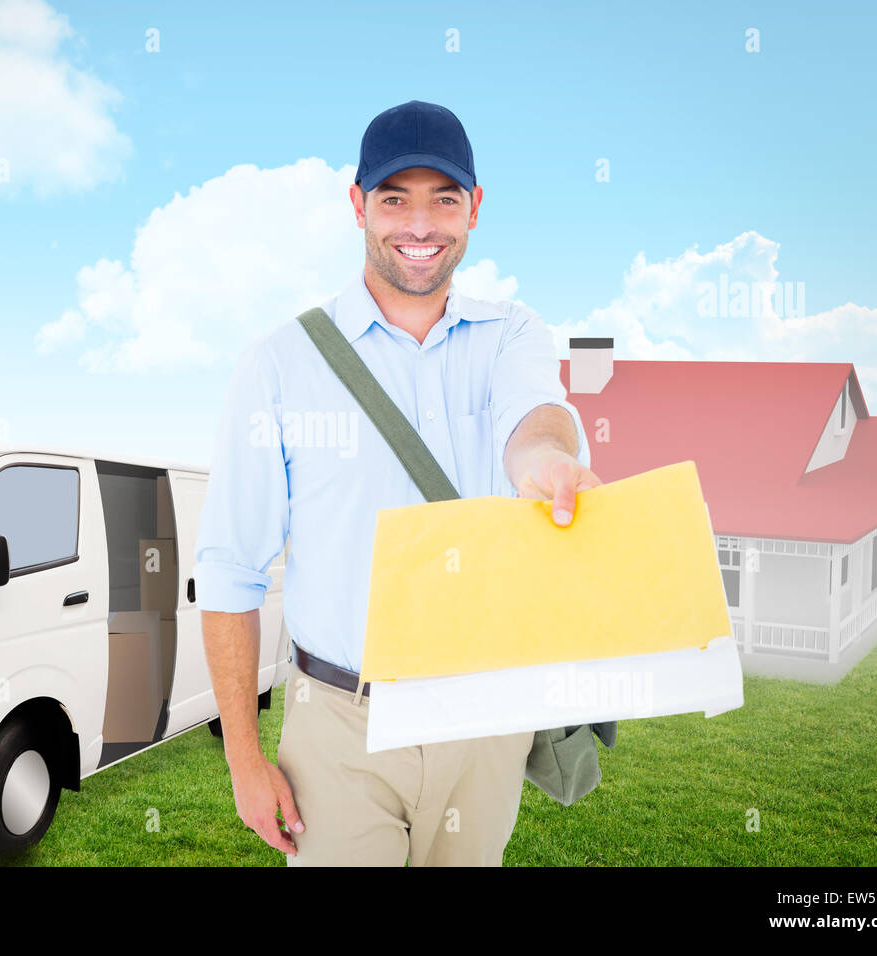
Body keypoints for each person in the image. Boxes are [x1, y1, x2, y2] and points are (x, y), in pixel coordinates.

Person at [193, 100, 602, 866]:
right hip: (344, 724)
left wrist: (544, 462)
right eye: (394, 200)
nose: (420, 226)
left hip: (486, 718)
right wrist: (243, 760)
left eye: (443, 199)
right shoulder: (281, 364)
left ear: (475, 208)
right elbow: (229, 570)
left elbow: (535, 416)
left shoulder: (511, 333)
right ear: (358, 206)